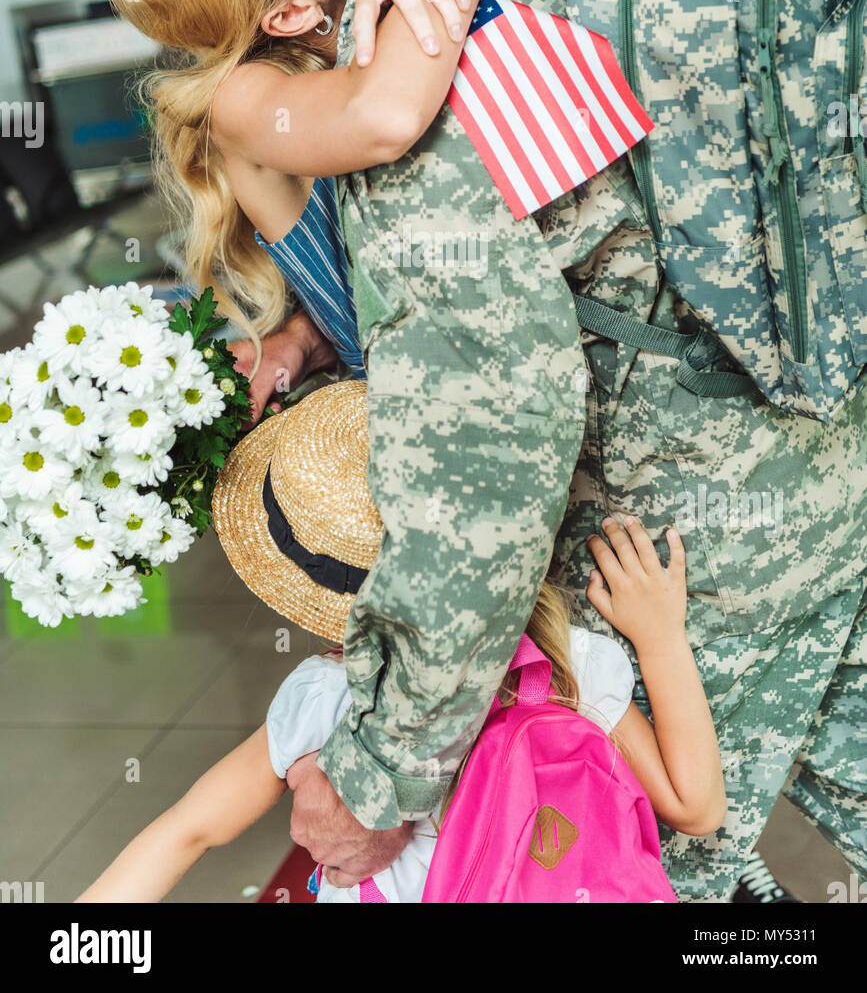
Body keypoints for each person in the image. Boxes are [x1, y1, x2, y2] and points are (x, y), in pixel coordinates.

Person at [160, 0, 867, 902]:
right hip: (834, 451)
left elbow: (490, 450)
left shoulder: (407, 80)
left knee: (660, 873)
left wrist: (379, 769)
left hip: (681, 569)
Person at [74, 382, 725, 904]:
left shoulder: (324, 697)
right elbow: (695, 808)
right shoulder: (567, 666)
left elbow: (187, 833)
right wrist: (659, 636)